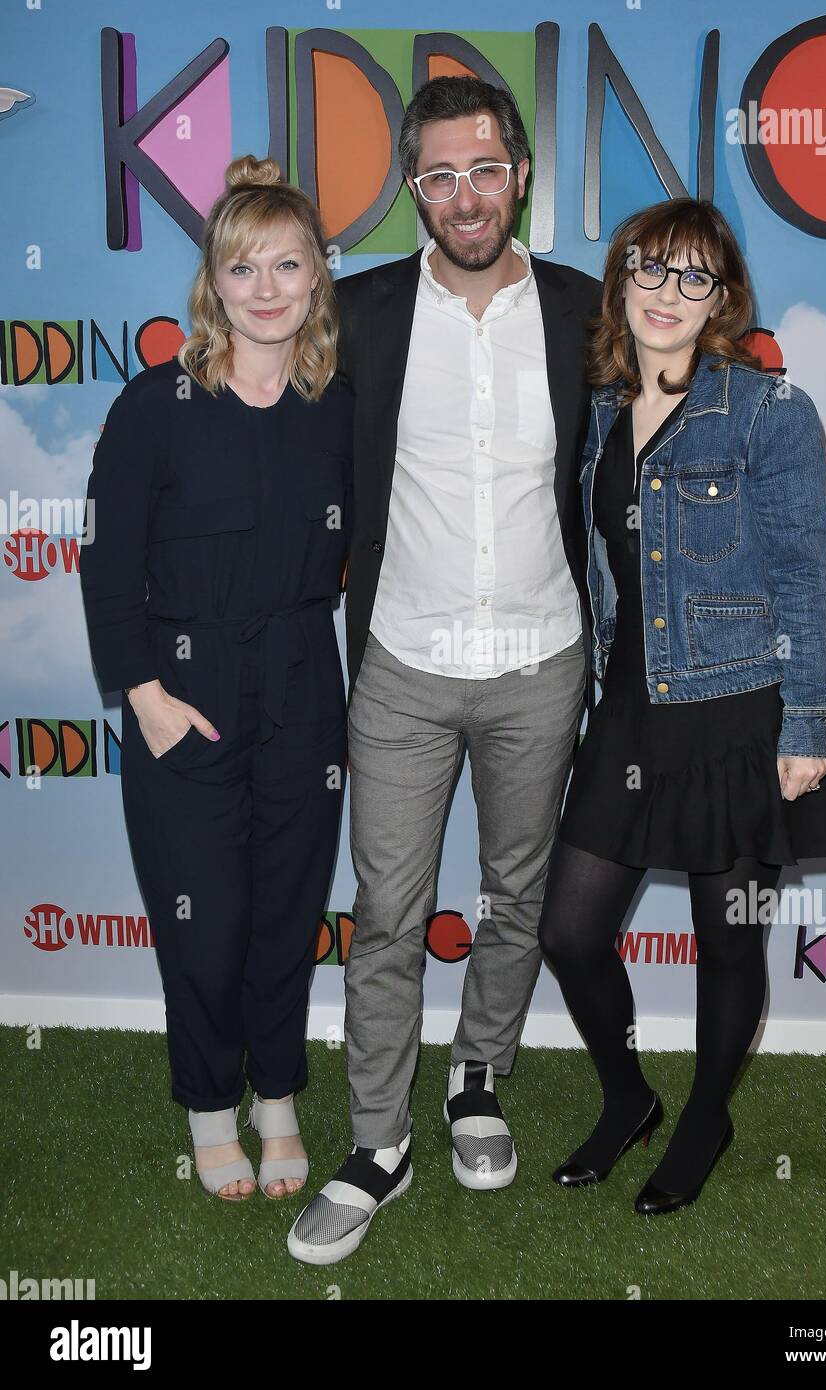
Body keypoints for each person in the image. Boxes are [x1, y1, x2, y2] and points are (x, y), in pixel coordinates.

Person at [286, 76, 601, 1266]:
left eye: (483, 169)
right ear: (412, 188)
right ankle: (379, 1143)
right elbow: (262, 390)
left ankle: (478, 1078)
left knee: (517, 896)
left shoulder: (581, 310)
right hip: (404, 661)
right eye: (437, 176)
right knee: (386, 917)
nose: (463, 196)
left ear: (518, 170)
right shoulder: (362, 312)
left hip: (541, 659)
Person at [537, 197, 826, 1216]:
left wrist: (805, 728)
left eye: (694, 277)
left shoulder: (767, 409)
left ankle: (707, 1115)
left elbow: (806, 574)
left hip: (737, 707)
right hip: (626, 707)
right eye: (650, 268)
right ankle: (629, 1094)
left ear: (721, 299)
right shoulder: (594, 413)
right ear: (620, 277)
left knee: (730, 937)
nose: (667, 293)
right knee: (572, 934)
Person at [79, 155, 353, 1202]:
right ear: (214, 283)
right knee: (204, 920)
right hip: (182, 694)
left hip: (301, 686)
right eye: (246, 268)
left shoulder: (337, 406)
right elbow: (107, 560)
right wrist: (141, 696)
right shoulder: (157, 403)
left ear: (318, 278)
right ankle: (208, 1105)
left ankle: (276, 1095)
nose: (269, 288)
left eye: (290, 264)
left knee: (288, 906)